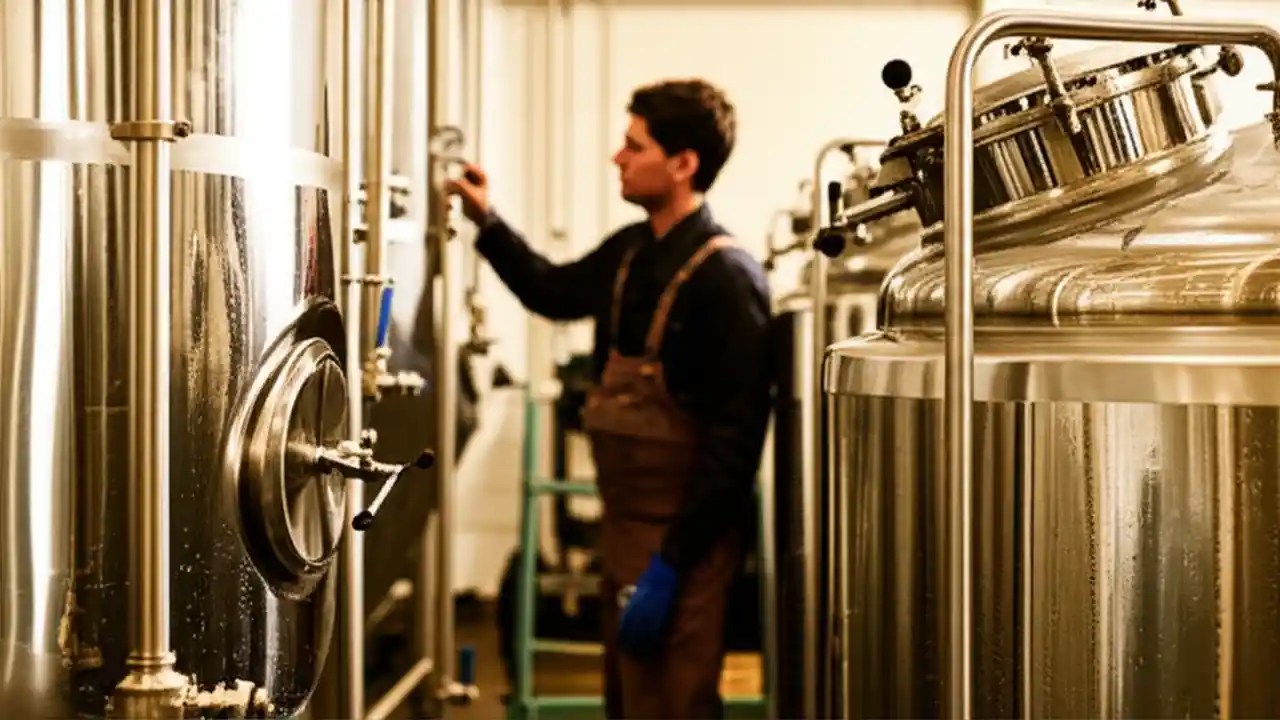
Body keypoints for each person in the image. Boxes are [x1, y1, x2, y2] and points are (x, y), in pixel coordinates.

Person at [447, 78, 772, 719]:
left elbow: (736, 442)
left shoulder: (728, 280)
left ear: (683, 164)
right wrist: (487, 221)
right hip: (623, 528)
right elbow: (552, 290)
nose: (616, 158)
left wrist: (674, 564)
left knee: (675, 703)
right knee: (627, 698)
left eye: (634, 146)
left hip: (689, 546)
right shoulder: (629, 253)